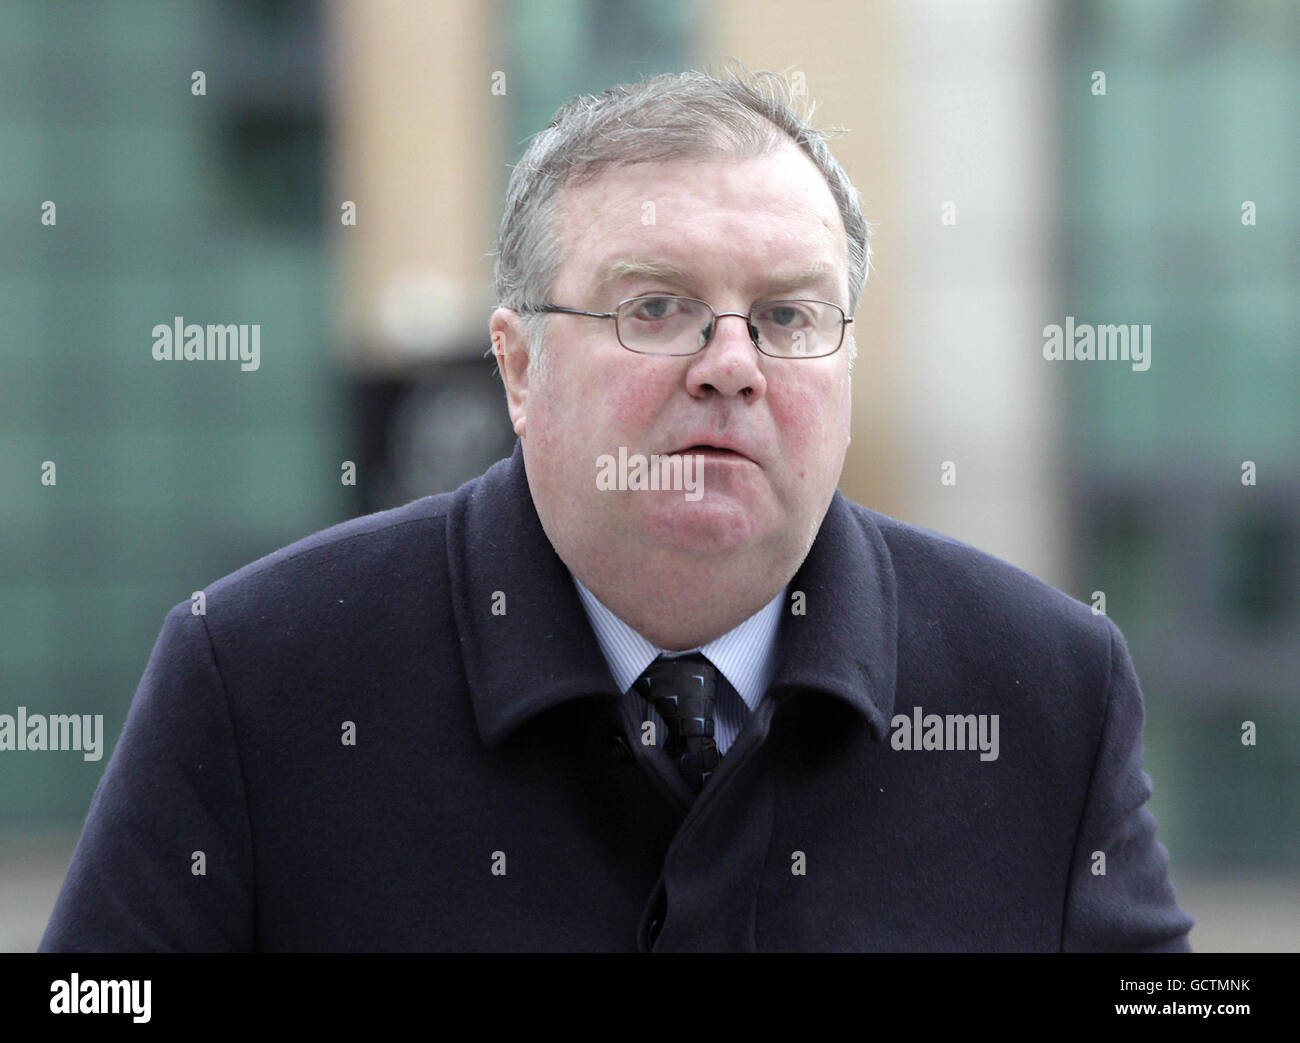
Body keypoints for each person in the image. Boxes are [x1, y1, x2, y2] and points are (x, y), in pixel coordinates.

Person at [41, 67, 1193, 952]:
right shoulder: (256, 674)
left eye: (789, 316)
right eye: (656, 306)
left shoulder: (1047, 686)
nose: (731, 363)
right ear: (519, 367)